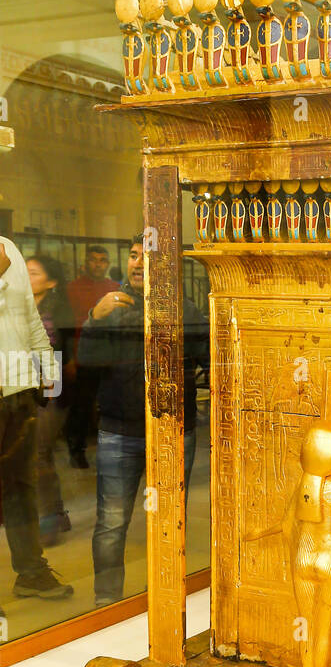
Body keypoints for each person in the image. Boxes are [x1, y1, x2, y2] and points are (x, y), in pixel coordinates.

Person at [78, 234, 208, 606]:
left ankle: (166, 602)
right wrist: (93, 320)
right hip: (118, 433)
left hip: (171, 434)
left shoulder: (184, 309)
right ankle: (106, 606)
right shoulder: (110, 306)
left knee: (169, 522)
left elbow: (211, 363)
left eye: (146, 256)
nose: (137, 263)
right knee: (111, 525)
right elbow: (86, 364)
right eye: (133, 256)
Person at [0, 235, 74, 605]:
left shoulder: (8, 247)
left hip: (18, 391)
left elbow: (30, 319)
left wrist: (50, 379)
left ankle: (31, 573)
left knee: (20, 488)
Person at [27, 254, 77, 546]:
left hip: (50, 384)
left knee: (39, 453)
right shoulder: (15, 304)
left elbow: (62, 356)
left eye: (34, 273)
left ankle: (48, 520)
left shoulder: (59, 309)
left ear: (51, 281)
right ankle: (57, 513)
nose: (28, 277)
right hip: (18, 383)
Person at [66, 244, 118, 469]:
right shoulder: (71, 289)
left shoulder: (115, 288)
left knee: (112, 404)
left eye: (102, 260)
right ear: (86, 263)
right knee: (81, 406)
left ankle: (113, 451)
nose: (98, 264)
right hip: (83, 356)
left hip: (110, 356)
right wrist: (68, 359)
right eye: (94, 259)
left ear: (108, 264)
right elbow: (64, 327)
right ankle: (76, 451)